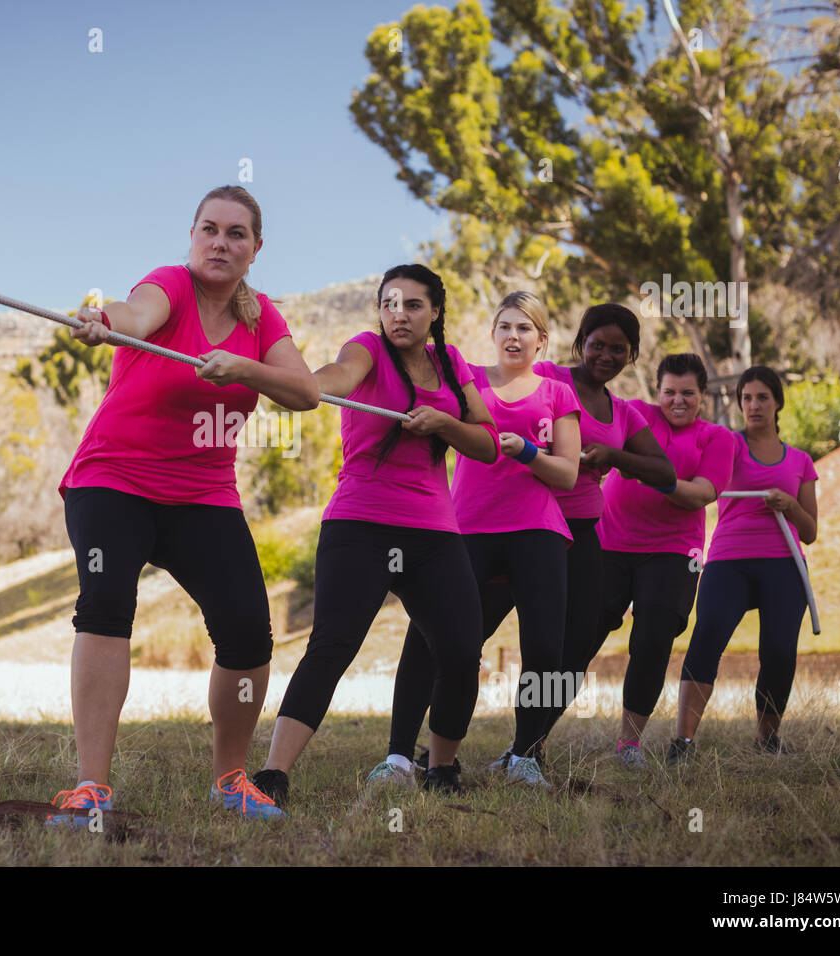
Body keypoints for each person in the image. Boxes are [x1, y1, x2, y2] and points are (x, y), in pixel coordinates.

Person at [47, 185, 319, 825]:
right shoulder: (169, 285)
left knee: (249, 634)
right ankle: (92, 789)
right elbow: (136, 314)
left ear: (256, 248)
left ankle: (231, 780)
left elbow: (305, 392)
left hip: (203, 493)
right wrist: (105, 324)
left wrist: (244, 371)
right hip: (114, 480)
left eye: (235, 233)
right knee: (106, 611)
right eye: (209, 229)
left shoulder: (262, 319)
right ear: (192, 236)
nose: (220, 242)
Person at [249, 264, 499, 807]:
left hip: (434, 529)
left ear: (435, 312)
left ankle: (441, 767)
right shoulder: (365, 348)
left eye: (412, 305)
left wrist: (445, 425)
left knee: (460, 651)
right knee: (333, 645)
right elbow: (333, 380)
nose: (398, 314)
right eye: (389, 303)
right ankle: (272, 776)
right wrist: (294, 383)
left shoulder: (452, 365)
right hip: (360, 523)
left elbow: (487, 443)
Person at [388, 291, 581, 789]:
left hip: (536, 530)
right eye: (505, 327)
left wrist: (526, 452)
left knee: (544, 650)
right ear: (493, 333)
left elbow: (566, 475)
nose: (513, 337)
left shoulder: (557, 392)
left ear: (541, 339)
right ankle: (400, 757)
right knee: (432, 641)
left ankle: (524, 757)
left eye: (524, 329)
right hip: (464, 528)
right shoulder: (464, 377)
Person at [491, 305, 674, 763]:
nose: (606, 356)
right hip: (521, 525)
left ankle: (526, 749)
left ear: (631, 356)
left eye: (619, 349)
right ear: (580, 344)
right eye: (598, 345)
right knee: (469, 630)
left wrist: (614, 455)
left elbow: (663, 470)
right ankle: (421, 751)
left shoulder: (624, 412)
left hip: (582, 534)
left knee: (571, 652)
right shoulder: (548, 376)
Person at [594, 354, 736, 769]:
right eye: (669, 392)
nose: (677, 400)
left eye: (688, 393)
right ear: (657, 392)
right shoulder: (635, 414)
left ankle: (629, 744)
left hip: (674, 553)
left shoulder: (717, 438)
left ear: (703, 396)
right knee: (580, 634)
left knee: (652, 642)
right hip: (609, 543)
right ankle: (533, 743)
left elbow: (701, 494)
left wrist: (645, 470)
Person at [671, 365, 818, 763]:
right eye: (747, 398)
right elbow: (691, 466)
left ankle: (767, 739)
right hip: (728, 560)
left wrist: (788, 505)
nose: (753, 405)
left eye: (762, 397)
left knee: (780, 651)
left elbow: (810, 532)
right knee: (707, 637)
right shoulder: (725, 443)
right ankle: (682, 742)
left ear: (777, 403)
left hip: (784, 563)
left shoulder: (801, 461)